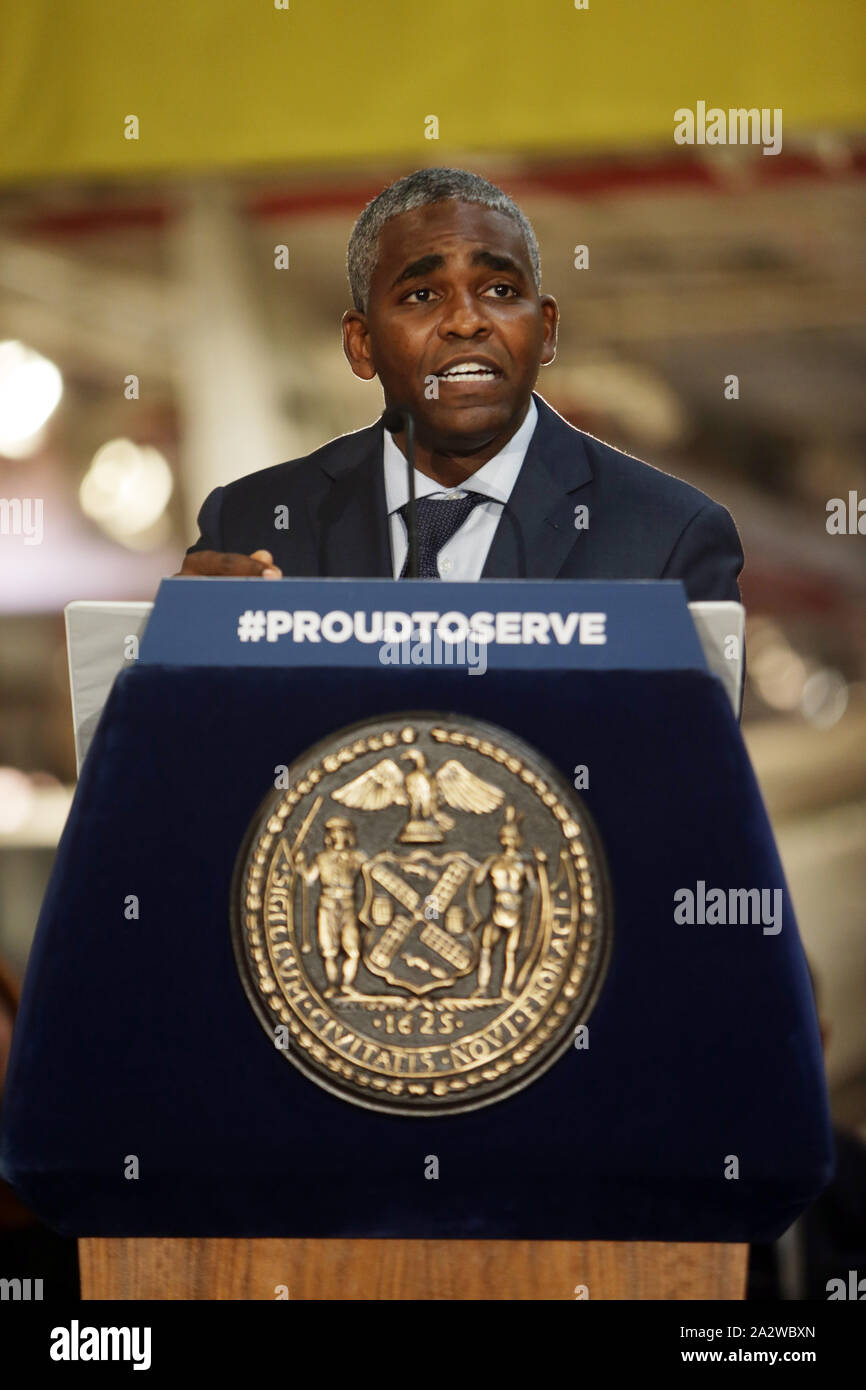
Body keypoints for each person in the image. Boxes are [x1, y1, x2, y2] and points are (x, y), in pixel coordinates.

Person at [178, 167, 743, 599]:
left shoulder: (670, 537)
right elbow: (189, 747)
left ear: (545, 331)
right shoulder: (251, 523)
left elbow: (687, 752)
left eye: (499, 290)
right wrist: (183, 661)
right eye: (422, 296)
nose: (468, 321)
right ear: (362, 344)